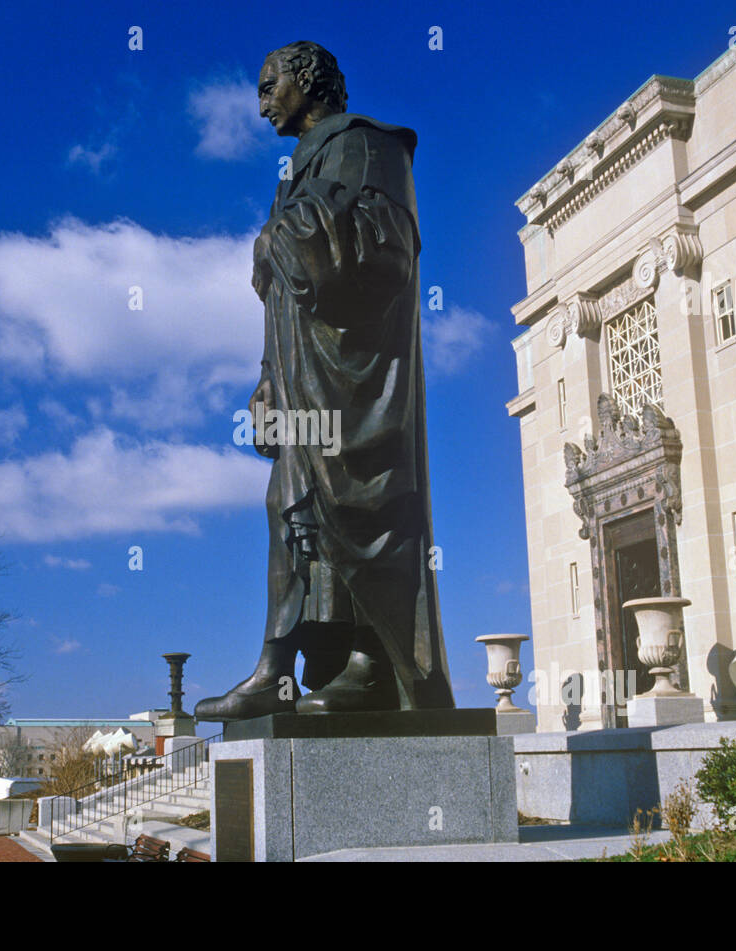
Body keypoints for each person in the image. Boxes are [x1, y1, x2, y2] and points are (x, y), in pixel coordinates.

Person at [194, 41, 454, 720]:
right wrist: (267, 381)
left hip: (356, 378)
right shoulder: (303, 168)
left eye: (268, 85)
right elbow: (282, 292)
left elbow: (386, 251)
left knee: (354, 506)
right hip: (301, 373)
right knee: (290, 505)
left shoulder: (369, 146)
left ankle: (371, 662)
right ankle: (275, 665)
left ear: (307, 81)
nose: (260, 104)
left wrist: (287, 232)